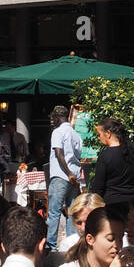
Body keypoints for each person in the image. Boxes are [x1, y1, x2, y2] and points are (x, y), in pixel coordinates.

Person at [46, 104, 84, 251]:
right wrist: (73, 175)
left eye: (53, 118)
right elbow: (78, 156)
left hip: (61, 175)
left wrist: (67, 173)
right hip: (74, 178)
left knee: (54, 212)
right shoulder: (76, 134)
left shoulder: (57, 132)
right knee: (71, 212)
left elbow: (58, 153)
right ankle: (72, 245)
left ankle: (51, 246)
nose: (52, 121)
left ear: (57, 117)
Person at [89, 116, 134, 205]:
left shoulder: (105, 155)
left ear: (108, 133)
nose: (98, 138)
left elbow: (98, 186)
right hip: (133, 202)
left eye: (99, 134)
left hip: (112, 203)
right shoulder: (132, 151)